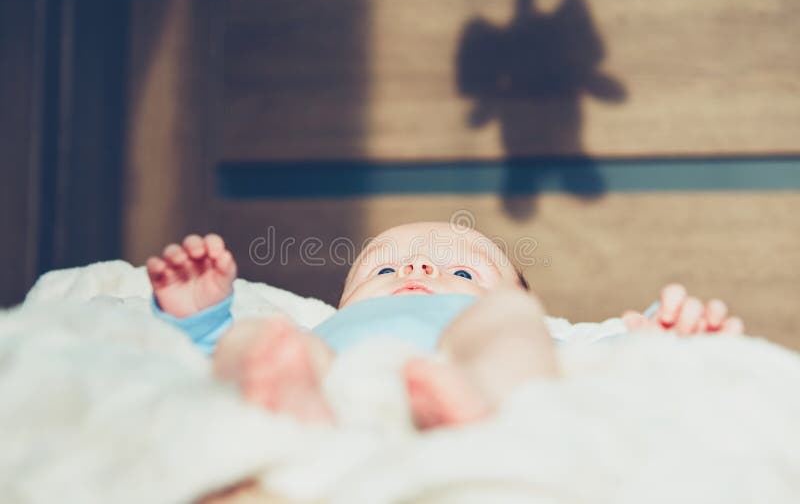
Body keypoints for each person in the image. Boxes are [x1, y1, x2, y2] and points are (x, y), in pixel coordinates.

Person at [146, 222, 744, 429]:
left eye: (462, 270)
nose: (418, 268)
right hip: (336, 375)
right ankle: (292, 407)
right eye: (383, 267)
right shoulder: (323, 330)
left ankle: (478, 401)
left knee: (512, 325)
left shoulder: (509, 321)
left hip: (469, 364)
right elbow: (196, 354)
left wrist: (657, 343)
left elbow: (589, 357)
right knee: (260, 339)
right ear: (341, 303)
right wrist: (200, 315)